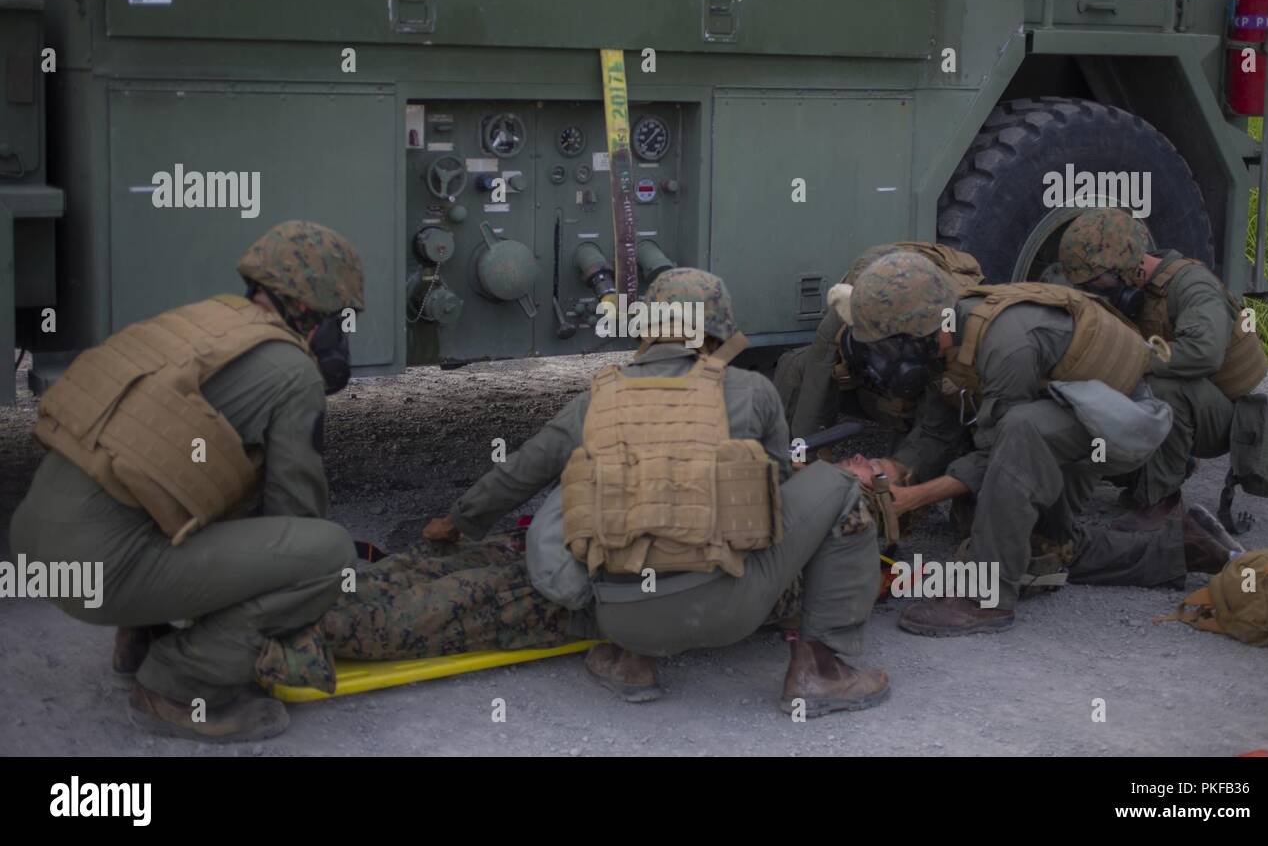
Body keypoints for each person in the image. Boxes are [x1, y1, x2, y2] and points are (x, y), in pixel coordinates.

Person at [423, 268, 889, 717]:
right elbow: (778, 493)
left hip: (620, 619)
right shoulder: (751, 389)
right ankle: (823, 672)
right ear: (719, 331)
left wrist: (457, 522)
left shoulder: (597, 398)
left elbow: (521, 471)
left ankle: (632, 664)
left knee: (617, 496)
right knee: (840, 487)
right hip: (728, 609)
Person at [9, 221, 364, 741]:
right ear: (311, 311)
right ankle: (175, 687)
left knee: (192, 474)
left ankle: (141, 638)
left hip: (35, 545)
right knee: (325, 555)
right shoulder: (293, 371)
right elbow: (296, 516)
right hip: (100, 573)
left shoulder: (207, 322)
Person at [843, 253, 1243, 636]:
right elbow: (938, 430)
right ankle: (1186, 545)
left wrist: (916, 498)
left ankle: (987, 598)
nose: (891, 357)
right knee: (1045, 551)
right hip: (1075, 417)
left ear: (922, 327)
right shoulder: (952, 338)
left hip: (1126, 426)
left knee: (1019, 432)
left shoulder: (1006, 344)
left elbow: (995, 454)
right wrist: (896, 471)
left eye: (892, 344)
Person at [1057, 208, 1268, 525]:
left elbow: (1204, 353)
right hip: (1193, 403)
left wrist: (1129, 358)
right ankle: (1143, 470)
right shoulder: (1139, 287)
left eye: (1098, 282)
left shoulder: (1193, 286)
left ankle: (1160, 503)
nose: (1095, 291)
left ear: (1128, 269)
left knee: (1162, 388)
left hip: (1226, 416)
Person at [774, 241, 984, 446]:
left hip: (948, 385)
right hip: (898, 371)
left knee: (926, 390)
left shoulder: (942, 311)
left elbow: (937, 407)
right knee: (795, 364)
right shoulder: (856, 301)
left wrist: (904, 467)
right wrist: (805, 450)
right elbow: (819, 368)